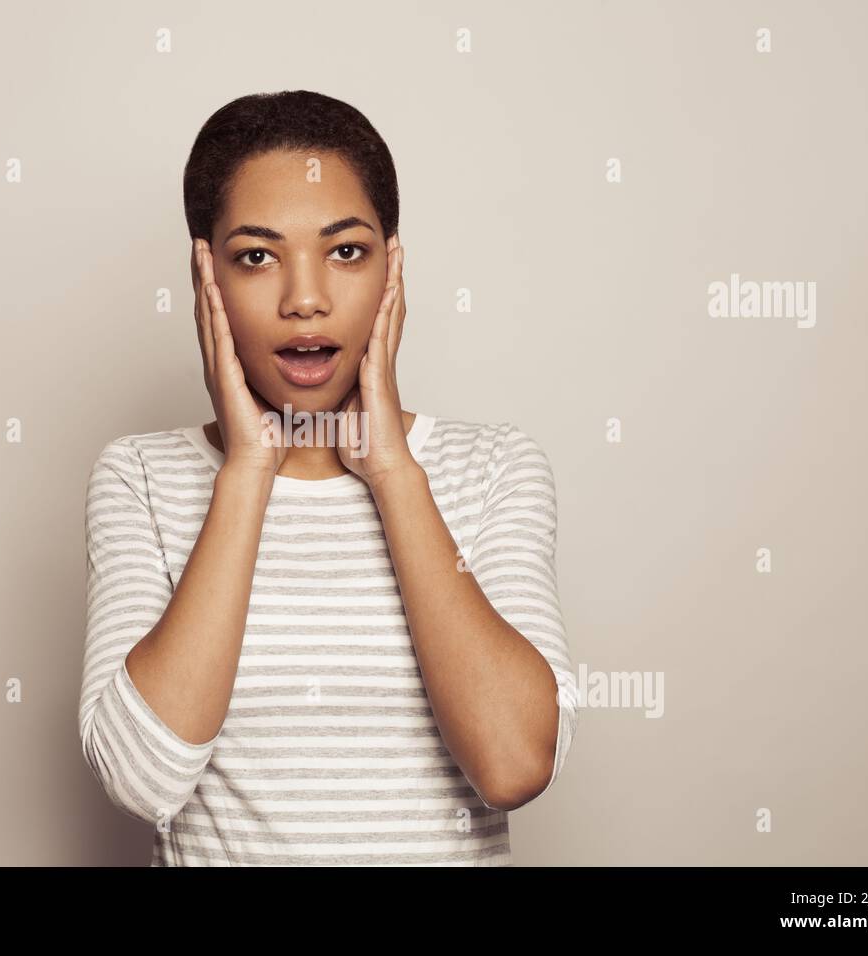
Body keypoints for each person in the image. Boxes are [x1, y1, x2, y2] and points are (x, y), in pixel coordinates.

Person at [79, 90, 578, 865]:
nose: (305, 299)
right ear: (204, 274)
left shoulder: (493, 469)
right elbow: (142, 783)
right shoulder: (142, 477)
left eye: (345, 251)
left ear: (392, 267)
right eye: (256, 256)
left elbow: (512, 763)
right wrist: (248, 471)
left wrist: (391, 471)